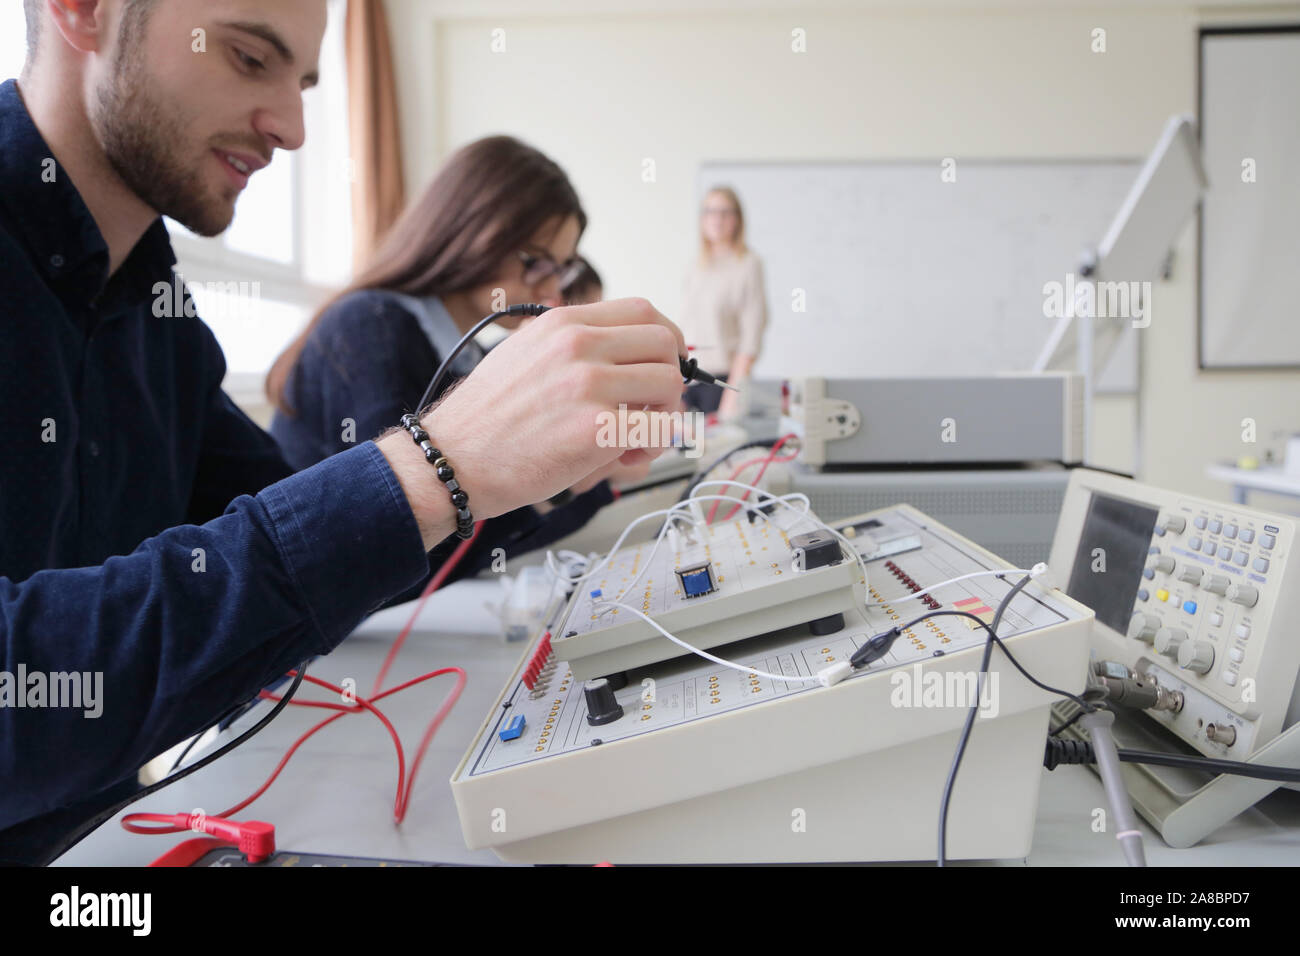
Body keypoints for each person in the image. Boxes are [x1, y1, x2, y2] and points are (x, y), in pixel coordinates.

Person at [0, 0, 686, 865]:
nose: (291, 127)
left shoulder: (155, 312)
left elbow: (323, 548)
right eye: (249, 58)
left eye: (306, 83)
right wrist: (442, 464)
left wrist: (526, 470)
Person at [268, 137, 634, 585]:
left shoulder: (467, 352)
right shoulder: (370, 329)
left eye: (559, 269)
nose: (551, 291)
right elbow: (402, 555)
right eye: (536, 262)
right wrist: (571, 490)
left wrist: (582, 481)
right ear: (474, 232)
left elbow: (471, 538)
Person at [678, 186, 768, 419]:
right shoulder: (696, 265)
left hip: (721, 382)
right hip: (688, 379)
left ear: (737, 219)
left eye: (725, 212)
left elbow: (751, 337)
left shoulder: (748, 264)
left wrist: (732, 395)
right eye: (710, 212)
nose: (716, 219)